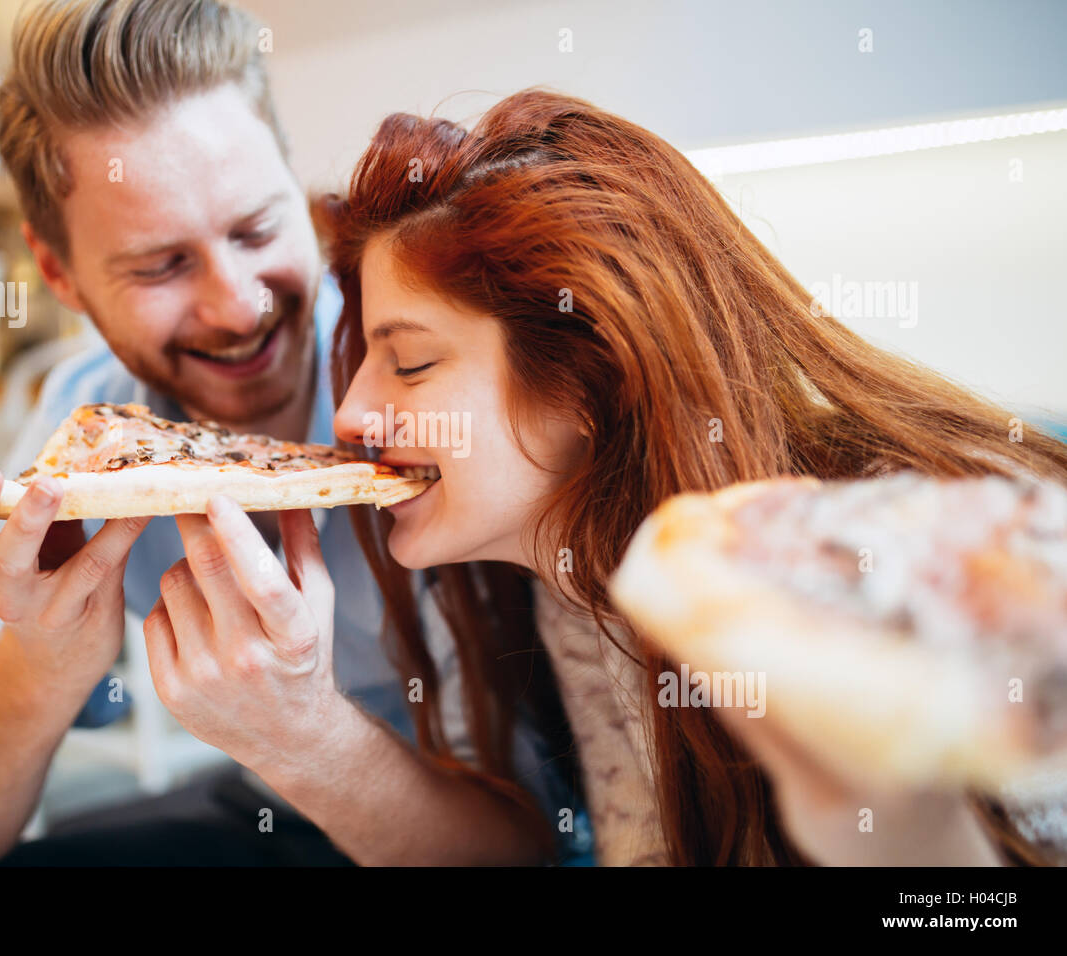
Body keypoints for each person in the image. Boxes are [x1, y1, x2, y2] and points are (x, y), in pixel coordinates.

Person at [0, 0, 582, 867]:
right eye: (161, 265)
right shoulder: (94, 419)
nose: (236, 304)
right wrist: (45, 660)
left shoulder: (432, 386)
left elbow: (529, 852)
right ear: (57, 271)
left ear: (297, 187)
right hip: (266, 805)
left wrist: (308, 734)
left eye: (256, 228)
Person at [317, 88, 1067, 865]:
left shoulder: (907, 557)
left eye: (411, 361)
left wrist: (909, 844)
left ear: (588, 375)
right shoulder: (564, 585)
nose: (352, 412)